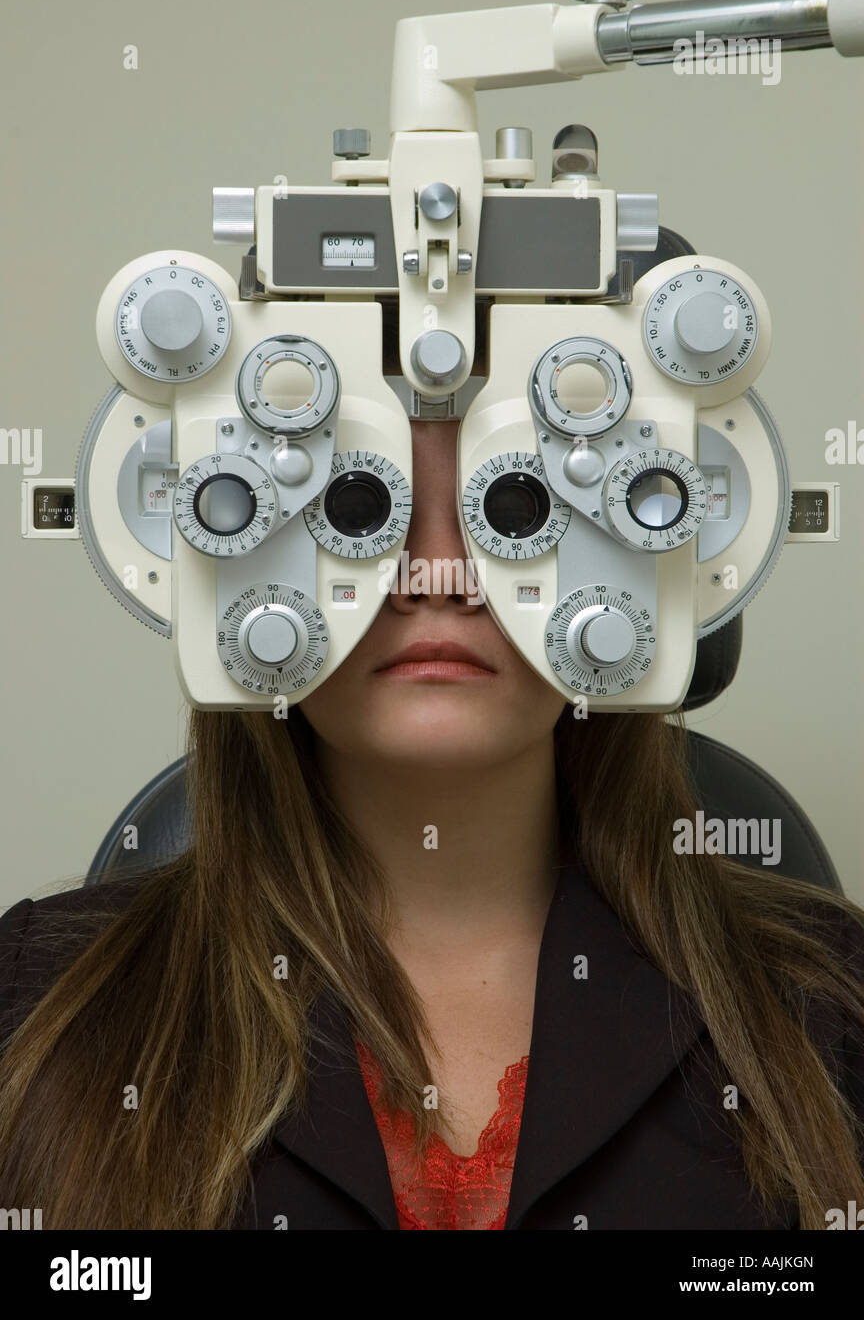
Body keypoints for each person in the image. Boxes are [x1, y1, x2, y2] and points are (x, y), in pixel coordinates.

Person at [0, 419, 863, 1231]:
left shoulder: (831, 1004)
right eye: (357, 504)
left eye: (519, 506)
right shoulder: (36, 996)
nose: (439, 571)